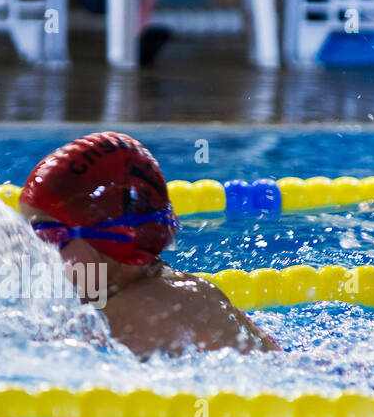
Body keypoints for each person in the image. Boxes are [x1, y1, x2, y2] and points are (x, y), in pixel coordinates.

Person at [18, 132, 280, 358]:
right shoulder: (150, 288)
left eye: (45, 236)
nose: (35, 254)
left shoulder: (154, 308)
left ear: (110, 238)